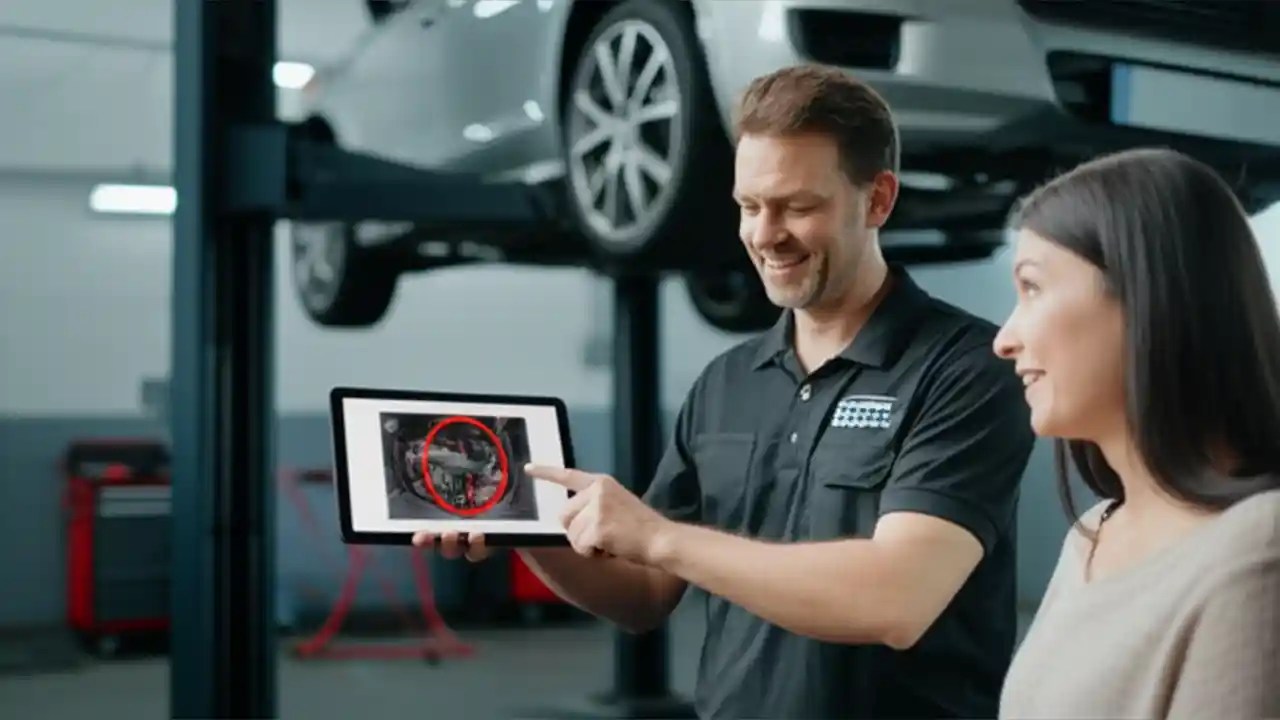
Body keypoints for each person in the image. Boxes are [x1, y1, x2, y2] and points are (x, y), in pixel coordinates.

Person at [415, 63, 1035, 719]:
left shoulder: (966, 370)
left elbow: (894, 602)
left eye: (798, 206)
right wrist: (527, 530)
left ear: (878, 199)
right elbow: (646, 594)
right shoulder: (727, 383)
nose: (766, 234)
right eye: (749, 206)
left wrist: (658, 537)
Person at [992, 147, 1280, 719]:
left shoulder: (1256, 548)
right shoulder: (1092, 533)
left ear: (1146, 294)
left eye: (1033, 289)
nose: (1005, 338)